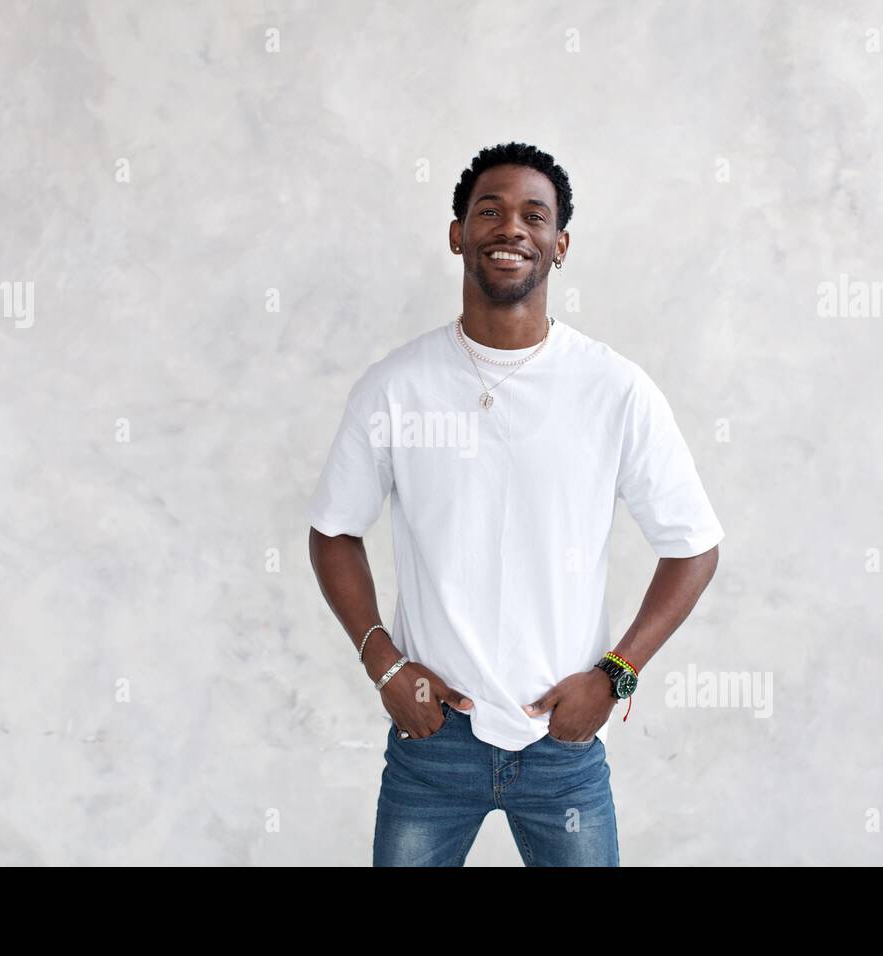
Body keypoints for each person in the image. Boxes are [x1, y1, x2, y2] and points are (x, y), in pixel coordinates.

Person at [307, 142, 724, 866]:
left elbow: (693, 545)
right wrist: (383, 663)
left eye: (535, 215)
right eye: (489, 211)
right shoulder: (398, 385)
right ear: (457, 234)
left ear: (560, 245)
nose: (511, 229)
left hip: (562, 741)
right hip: (432, 741)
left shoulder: (613, 389)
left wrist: (616, 675)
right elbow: (333, 531)